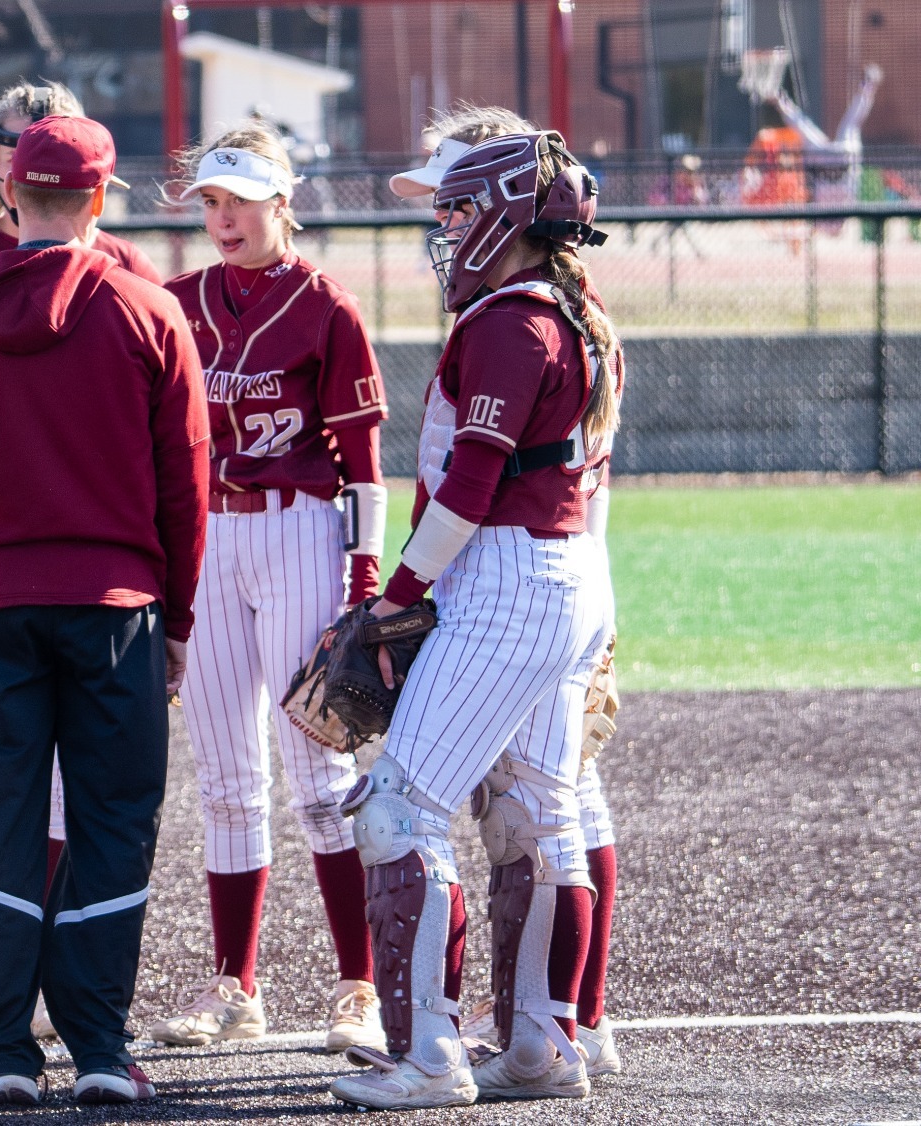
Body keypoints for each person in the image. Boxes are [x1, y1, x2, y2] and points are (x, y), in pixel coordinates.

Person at [0, 115, 208, 1106]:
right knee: (113, 819)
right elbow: (184, 488)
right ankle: (100, 1046)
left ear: (8, 196)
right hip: (114, 604)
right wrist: (176, 622)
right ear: (100, 198)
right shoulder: (148, 309)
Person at [328, 127, 624, 1110]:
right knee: (538, 816)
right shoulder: (568, 313)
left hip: (506, 580)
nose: (444, 229)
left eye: (456, 211)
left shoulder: (508, 320)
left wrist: (394, 597)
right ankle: (541, 1043)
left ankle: (427, 1058)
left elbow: (469, 485)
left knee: (396, 808)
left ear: (504, 214)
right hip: (566, 574)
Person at [148, 121, 390, 1054]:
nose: (223, 218)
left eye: (239, 200)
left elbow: (364, 464)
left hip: (298, 532)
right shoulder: (178, 302)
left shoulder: (327, 306)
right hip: (208, 537)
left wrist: (364, 579)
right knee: (223, 778)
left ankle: (358, 985)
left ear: (283, 202)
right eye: (210, 201)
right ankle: (235, 984)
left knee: (320, 772)